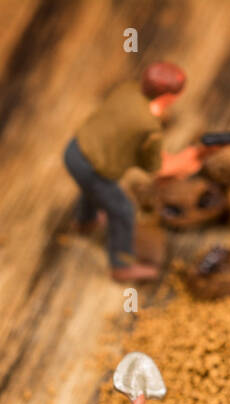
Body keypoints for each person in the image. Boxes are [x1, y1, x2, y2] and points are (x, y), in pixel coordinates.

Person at [64, 61, 208, 282]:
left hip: (75, 150)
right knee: (123, 211)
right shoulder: (148, 127)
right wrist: (190, 160)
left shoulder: (127, 89)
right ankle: (120, 266)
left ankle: (85, 221)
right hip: (93, 166)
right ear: (169, 97)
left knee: (91, 188)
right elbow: (157, 169)